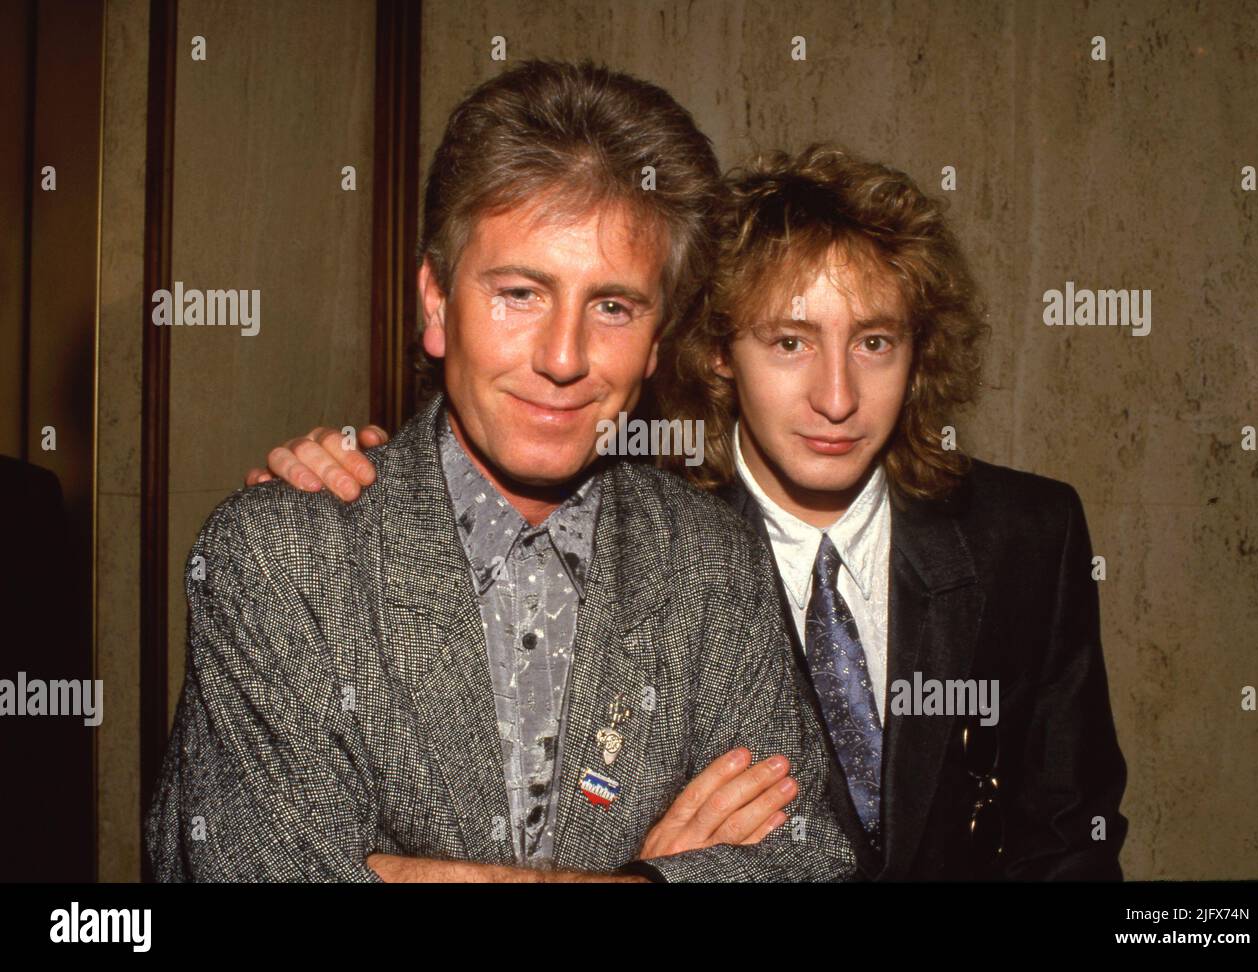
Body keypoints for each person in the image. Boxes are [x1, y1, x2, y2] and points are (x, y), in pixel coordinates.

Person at [257, 144, 1129, 880]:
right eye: (789, 342)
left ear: (917, 352)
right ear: (716, 353)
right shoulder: (657, 544)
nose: (836, 396)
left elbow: (1072, 837)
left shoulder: (1027, 537)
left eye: (874, 342)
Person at [147, 60, 856, 883]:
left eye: (614, 306)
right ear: (437, 304)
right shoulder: (281, 556)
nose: (563, 358)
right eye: (520, 293)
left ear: (658, 339)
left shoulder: (712, 563)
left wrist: (406, 873)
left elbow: (806, 862)